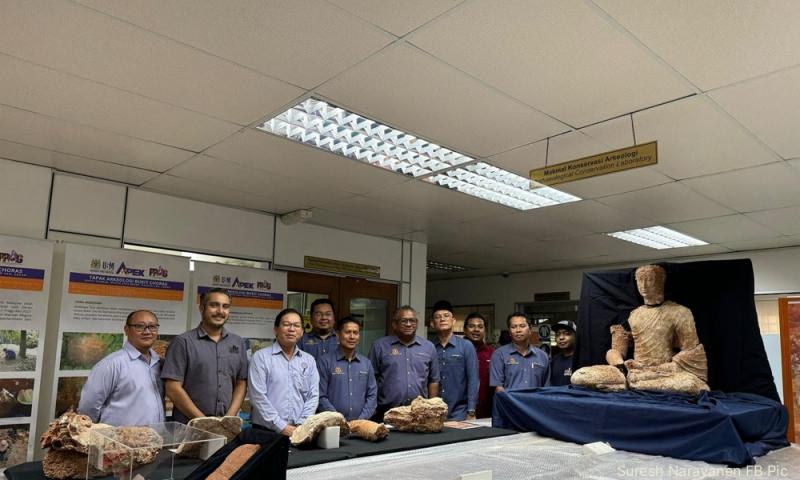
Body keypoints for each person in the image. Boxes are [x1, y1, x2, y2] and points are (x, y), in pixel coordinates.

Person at [571, 265, 709, 394]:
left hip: (664, 372)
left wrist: (666, 367)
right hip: (634, 371)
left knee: (688, 384)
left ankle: (632, 384)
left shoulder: (679, 312)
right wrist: (617, 359)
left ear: (661, 281)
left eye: (649, 280)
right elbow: (618, 350)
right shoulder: (635, 314)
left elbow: (692, 352)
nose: (643, 286)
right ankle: (629, 382)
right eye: (640, 280)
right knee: (579, 376)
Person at [162, 288, 248, 423]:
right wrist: (203, 421)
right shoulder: (183, 342)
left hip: (225, 427)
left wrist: (229, 418)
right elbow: (173, 388)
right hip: (189, 427)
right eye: (214, 305)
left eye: (225, 306)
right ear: (202, 308)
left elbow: (241, 382)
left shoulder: (238, 343)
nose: (220, 311)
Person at [78, 310, 165, 426]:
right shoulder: (111, 364)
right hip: (119, 441)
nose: (147, 331)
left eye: (152, 327)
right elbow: (87, 408)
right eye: (139, 326)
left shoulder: (160, 363)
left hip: (155, 440)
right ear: (126, 330)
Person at [249, 308, 319, 436]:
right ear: (276, 330)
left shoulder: (309, 360)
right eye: (286, 324)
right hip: (266, 431)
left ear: (302, 332)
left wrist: (301, 424)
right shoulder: (261, 357)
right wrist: (282, 427)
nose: (291, 329)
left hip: (299, 430)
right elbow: (258, 397)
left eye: (296, 325)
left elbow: (313, 396)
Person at [368, 306, 440, 420]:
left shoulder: (428, 347)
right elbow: (370, 380)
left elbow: (433, 380)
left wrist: (431, 408)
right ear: (394, 324)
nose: (408, 324)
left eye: (412, 321)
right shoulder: (379, 346)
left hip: (419, 412)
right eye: (403, 321)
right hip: (387, 411)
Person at [317, 316, 377, 420]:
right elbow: (320, 396)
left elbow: (372, 396)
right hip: (332, 425)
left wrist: (360, 421)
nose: (352, 336)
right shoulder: (324, 362)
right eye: (348, 332)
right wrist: (338, 420)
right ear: (338, 335)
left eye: (356, 333)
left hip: (360, 425)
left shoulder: (366, 363)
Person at [431, 300, 478, 420]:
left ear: (454, 321)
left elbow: (473, 379)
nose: (442, 319)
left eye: (446, 316)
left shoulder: (466, 346)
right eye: (438, 317)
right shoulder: (428, 347)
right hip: (434, 412)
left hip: (460, 412)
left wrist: (471, 411)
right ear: (432, 323)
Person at [489, 313, 550, 392]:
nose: (518, 330)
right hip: (509, 403)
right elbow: (498, 388)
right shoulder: (499, 354)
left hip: (535, 403)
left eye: (522, 326)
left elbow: (546, 388)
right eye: (513, 327)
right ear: (509, 332)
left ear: (530, 330)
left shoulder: (543, 356)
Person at [464, 312, 495, 418]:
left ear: (485, 330)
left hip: (487, 411)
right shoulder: (458, 351)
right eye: (471, 326)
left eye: (480, 327)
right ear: (465, 329)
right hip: (460, 411)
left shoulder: (493, 353)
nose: (476, 330)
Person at [549, 320, 576, 387]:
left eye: (567, 334)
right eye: (558, 334)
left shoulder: (581, 359)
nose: (561, 338)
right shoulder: (554, 360)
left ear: (576, 336)